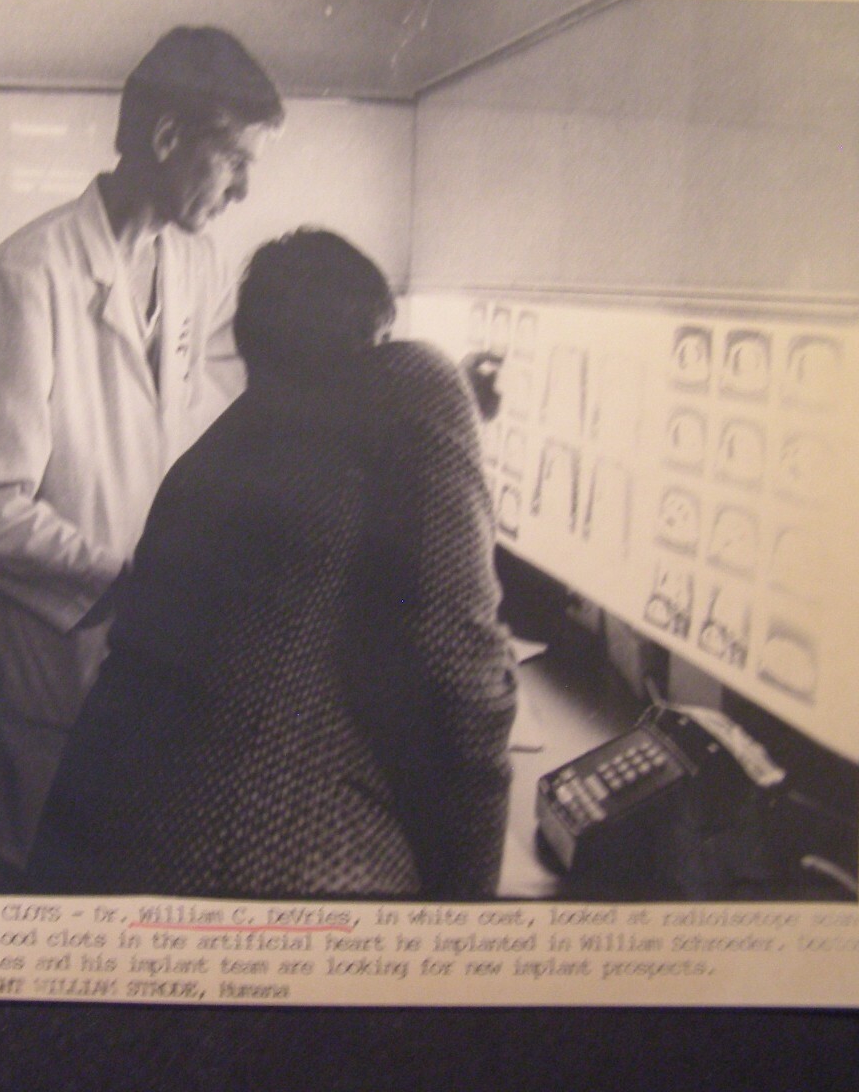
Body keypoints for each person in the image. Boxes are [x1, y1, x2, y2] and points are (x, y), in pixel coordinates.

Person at [29, 230, 520, 899]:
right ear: (375, 335)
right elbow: (460, 662)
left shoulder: (209, 455)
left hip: (100, 843)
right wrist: (472, 896)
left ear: (250, 346)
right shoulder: (416, 377)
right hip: (271, 866)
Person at [0, 26, 284, 872]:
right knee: (42, 879)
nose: (244, 190)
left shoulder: (197, 265)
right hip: (55, 668)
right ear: (167, 137)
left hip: (149, 660)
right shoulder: (29, 274)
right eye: (234, 161)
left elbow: (208, 422)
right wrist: (126, 580)